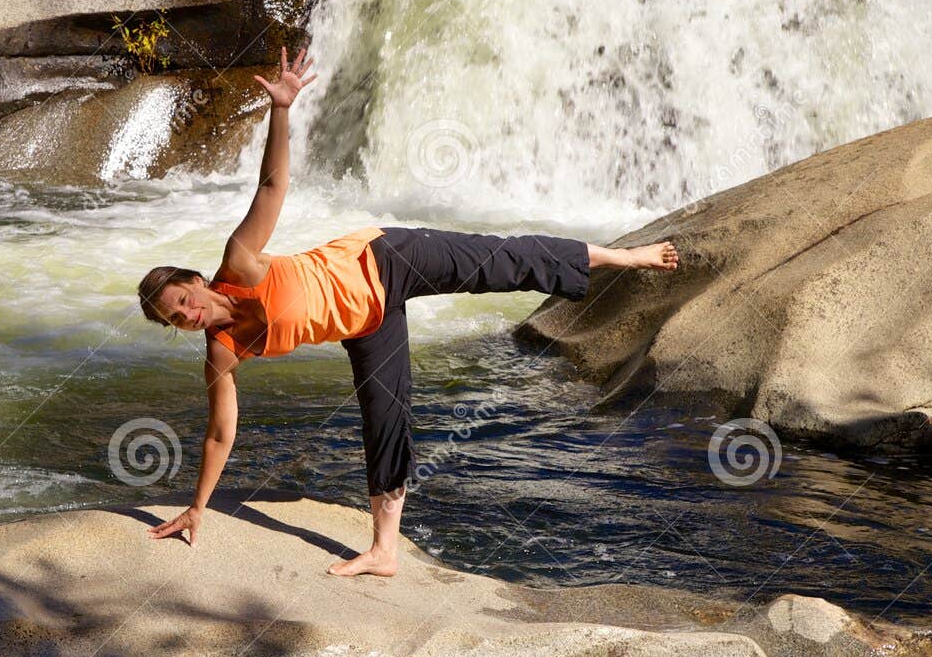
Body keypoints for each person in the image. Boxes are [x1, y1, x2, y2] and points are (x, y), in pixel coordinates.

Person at [136, 48, 679, 577]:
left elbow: (273, 186)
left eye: (182, 301)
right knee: (384, 421)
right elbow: (219, 434)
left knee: (502, 260)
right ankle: (384, 551)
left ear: (195, 280)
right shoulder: (222, 353)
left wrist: (282, 109)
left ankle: (626, 256)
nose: (187, 316)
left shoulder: (241, 262)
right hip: (368, 324)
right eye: (174, 320)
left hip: (386, 258)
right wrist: (197, 507)